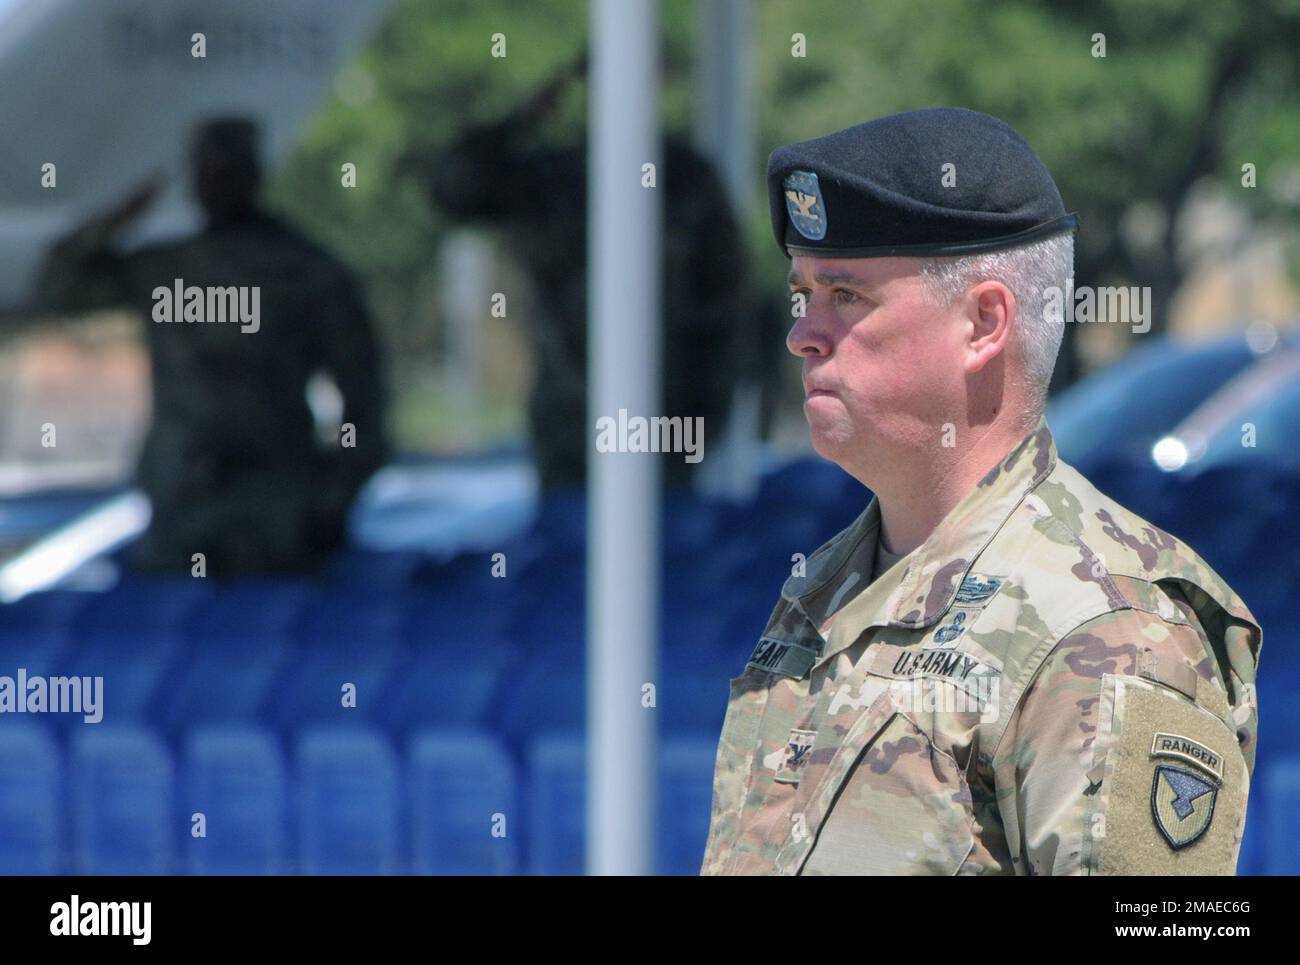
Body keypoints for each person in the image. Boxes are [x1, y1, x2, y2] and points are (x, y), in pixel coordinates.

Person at [700, 107, 1262, 875]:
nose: (804, 333)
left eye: (846, 296)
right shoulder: (832, 587)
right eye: (804, 294)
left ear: (983, 323)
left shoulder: (1109, 628)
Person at [31, 117, 387, 578]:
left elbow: (364, 394)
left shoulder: (304, 273)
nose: (216, 183)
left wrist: (334, 497)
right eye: (206, 170)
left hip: (277, 505)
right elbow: (59, 290)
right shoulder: (167, 268)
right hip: (183, 500)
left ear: (254, 175)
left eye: (229, 169)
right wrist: (114, 221)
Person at [407, 56, 751, 490]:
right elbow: (454, 191)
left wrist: (709, 413)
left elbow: (726, 299)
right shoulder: (553, 177)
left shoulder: (686, 179)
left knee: (667, 540)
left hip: (669, 414)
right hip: (567, 417)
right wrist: (522, 118)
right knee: (568, 543)